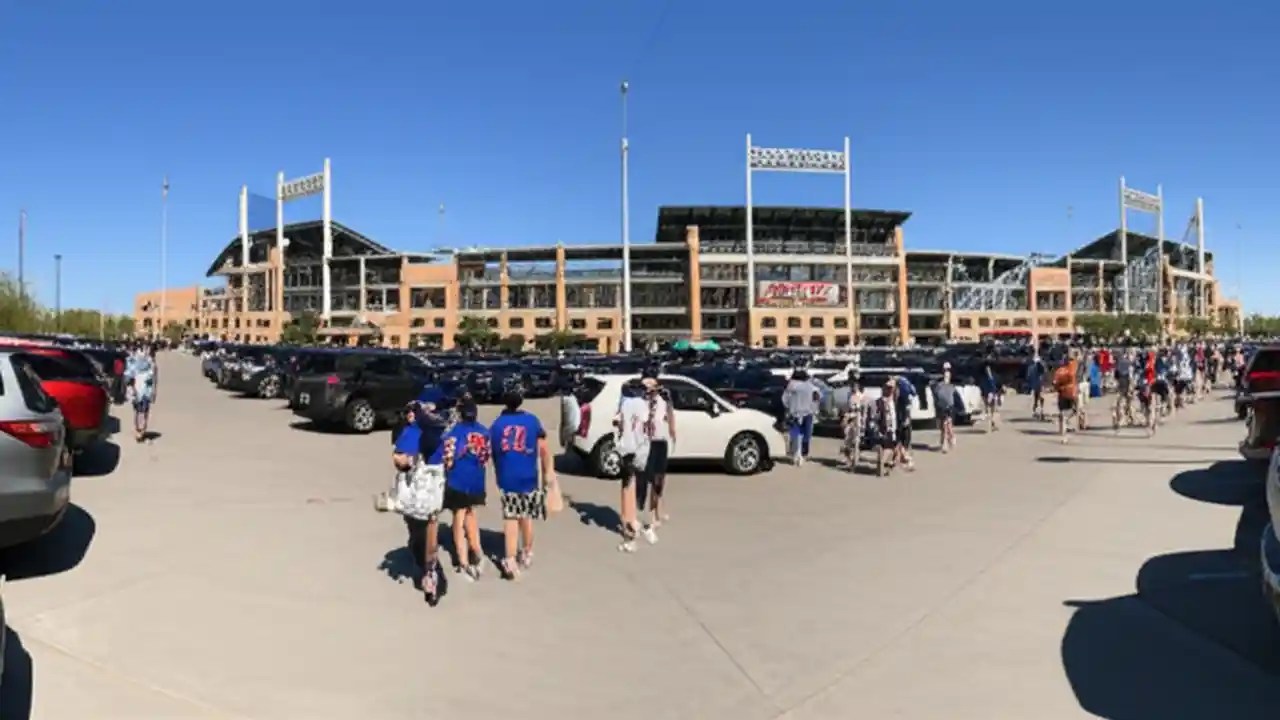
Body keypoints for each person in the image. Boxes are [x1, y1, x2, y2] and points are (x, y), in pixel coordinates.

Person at [489, 390, 555, 580]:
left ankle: (510, 557)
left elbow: (493, 451)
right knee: (526, 515)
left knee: (511, 517)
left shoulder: (497, 425)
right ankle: (526, 551)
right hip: (528, 475)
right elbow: (543, 448)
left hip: (507, 476)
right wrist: (548, 471)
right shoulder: (532, 420)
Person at [427, 400, 490, 581]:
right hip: (477, 482)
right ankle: (477, 549)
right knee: (471, 513)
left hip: (457, 481)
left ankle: (462, 560)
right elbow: (485, 457)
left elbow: (447, 459)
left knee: (459, 516)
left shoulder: (453, 434)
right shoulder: (484, 432)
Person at [636, 374, 675, 544]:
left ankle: (657, 509)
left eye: (651, 388)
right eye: (646, 388)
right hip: (646, 443)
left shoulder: (663, 401)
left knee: (659, 477)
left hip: (660, 441)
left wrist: (673, 431)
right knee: (645, 478)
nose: (648, 392)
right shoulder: (640, 403)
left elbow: (670, 416)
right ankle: (644, 510)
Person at [614, 379, 651, 552]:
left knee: (626, 485)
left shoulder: (626, 404)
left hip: (627, 447)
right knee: (635, 482)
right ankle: (633, 518)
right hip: (641, 448)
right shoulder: (644, 404)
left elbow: (621, 425)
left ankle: (627, 524)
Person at [782, 369, 821, 466]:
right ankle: (803, 453)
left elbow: (784, 399)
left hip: (794, 413)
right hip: (808, 413)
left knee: (795, 433)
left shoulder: (790, 386)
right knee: (806, 434)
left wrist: (788, 408)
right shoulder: (811, 386)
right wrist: (815, 408)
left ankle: (796, 454)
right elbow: (817, 397)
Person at [124, 342, 157, 443]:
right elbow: (129, 377)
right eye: (143, 349)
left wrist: (154, 392)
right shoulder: (133, 362)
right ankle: (137, 429)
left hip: (147, 391)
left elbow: (155, 379)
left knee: (145, 411)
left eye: (147, 350)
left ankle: (142, 430)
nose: (145, 352)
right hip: (136, 389)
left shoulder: (152, 364)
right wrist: (132, 389)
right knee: (137, 411)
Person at [840, 378, 867, 470]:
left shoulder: (862, 396)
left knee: (856, 440)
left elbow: (862, 410)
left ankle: (854, 459)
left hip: (858, 420)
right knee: (847, 440)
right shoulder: (850, 396)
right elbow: (848, 409)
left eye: (855, 385)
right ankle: (848, 459)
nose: (853, 387)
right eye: (852, 385)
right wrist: (845, 417)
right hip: (850, 420)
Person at [1053, 352, 1079, 444]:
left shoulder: (1059, 371)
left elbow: (1055, 383)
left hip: (1062, 394)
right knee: (1074, 410)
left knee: (1062, 413)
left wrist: (1058, 388)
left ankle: (1064, 435)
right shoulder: (1072, 369)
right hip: (1071, 393)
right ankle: (1066, 421)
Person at [932, 364, 958, 453]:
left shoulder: (951, 385)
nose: (946, 372)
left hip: (949, 406)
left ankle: (945, 443)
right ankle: (949, 438)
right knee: (945, 425)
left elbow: (954, 396)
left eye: (948, 370)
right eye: (945, 370)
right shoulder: (939, 384)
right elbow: (936, 395)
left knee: (946, 423)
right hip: (941, 406)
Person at [1026, 353, 1046, 421]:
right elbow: (1044, 374)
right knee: (1041, 399)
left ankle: (1035, 412)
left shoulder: (1030, 368)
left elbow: (1028, 377)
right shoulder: (1041, 366)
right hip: (1040, 384)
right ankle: (1041, 411)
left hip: (1034, 385)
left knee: (1035, 399)